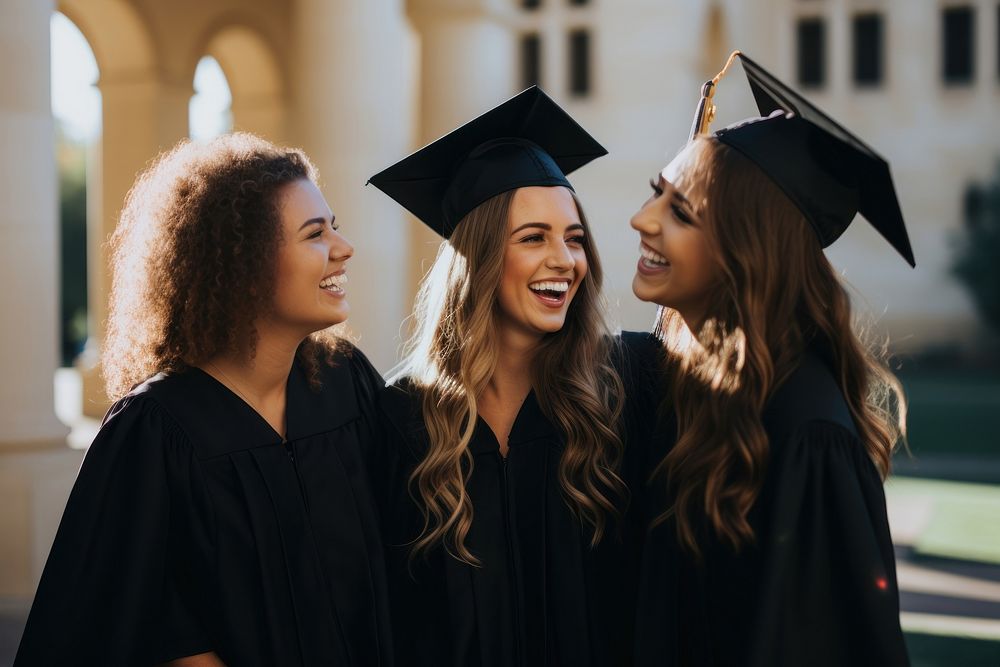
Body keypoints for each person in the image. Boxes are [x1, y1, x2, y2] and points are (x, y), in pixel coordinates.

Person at [15, 133, 392, 666]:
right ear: (244, 262)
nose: (342, 247)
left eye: (334, 226)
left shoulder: (345, 386)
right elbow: (129, 620)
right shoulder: (157, 430)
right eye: (314, 234)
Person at [630, 53, 912, 666]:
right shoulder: (691, 389)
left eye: (680, 211)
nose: (640, 220)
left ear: (745, 249)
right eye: (657, 193)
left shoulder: (806, 435)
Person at [368, 87, 660, 666]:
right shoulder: (402, 419)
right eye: (534, 238)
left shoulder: (629, 386)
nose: (565, 261)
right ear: (477, 259)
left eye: (574, 239)